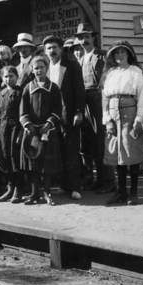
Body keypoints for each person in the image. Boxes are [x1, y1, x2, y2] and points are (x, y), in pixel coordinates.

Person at [100, 41, 143, 205]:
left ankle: (133, 193)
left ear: (129, 54)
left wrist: (138, 119)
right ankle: (121, 192)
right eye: (116, 53)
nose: (119, 55)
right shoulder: (110, 73)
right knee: (117, 154)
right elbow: (104, 97)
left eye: (122, 52)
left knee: (131, 152)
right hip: (113, 114)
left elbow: (141, 97)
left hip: (130, 113)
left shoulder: (136, 72)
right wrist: (107, 120)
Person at [43, 35, 85, 201]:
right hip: (52, 117)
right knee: (58, 151)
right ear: (45, 52)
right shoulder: (45, 68)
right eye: (49, 48)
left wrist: (79, 111)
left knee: (71, 150)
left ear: (61, 49)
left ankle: (75, 187)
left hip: (69, 114)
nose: (52, 51)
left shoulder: (72, 66)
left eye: (55, 47)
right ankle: (64, 185)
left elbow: (80, 90)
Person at [74, 23, 114, 195]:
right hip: (86, 102)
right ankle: (100, 179)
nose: (84, 41)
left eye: (87, 37)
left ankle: (109, 181)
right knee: (92, 143)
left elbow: (109, 79)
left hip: (100, 99)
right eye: (81, 38)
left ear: (93, 38)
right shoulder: (81, 60)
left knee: (101, 142)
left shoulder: (103, 56)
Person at [19, 55, 63, 205]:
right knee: (34, 164)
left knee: (47, 164)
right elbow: (22, 111)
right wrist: (28, 125)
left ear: (47, 68)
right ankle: (34, 194)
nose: (39, 70)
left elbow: (58, 109)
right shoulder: (28, 87)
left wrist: (48, 124)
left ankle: (47, 193)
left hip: (47, 131)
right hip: (32, 132)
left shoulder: (53, 87)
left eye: (41, 67)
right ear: (32, 69)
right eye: (36, 68)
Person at [0, 66, 24, 203]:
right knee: (5, 157)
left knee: (15, 158)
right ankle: (10, 188)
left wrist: (22, 132)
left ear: (17, 77)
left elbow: (24, 113)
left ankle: (19, 189)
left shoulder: (21, 92)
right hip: (3, 129)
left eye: (11, 76)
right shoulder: (1, 94)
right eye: (5, 76)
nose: (8, 79)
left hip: (16, 128)